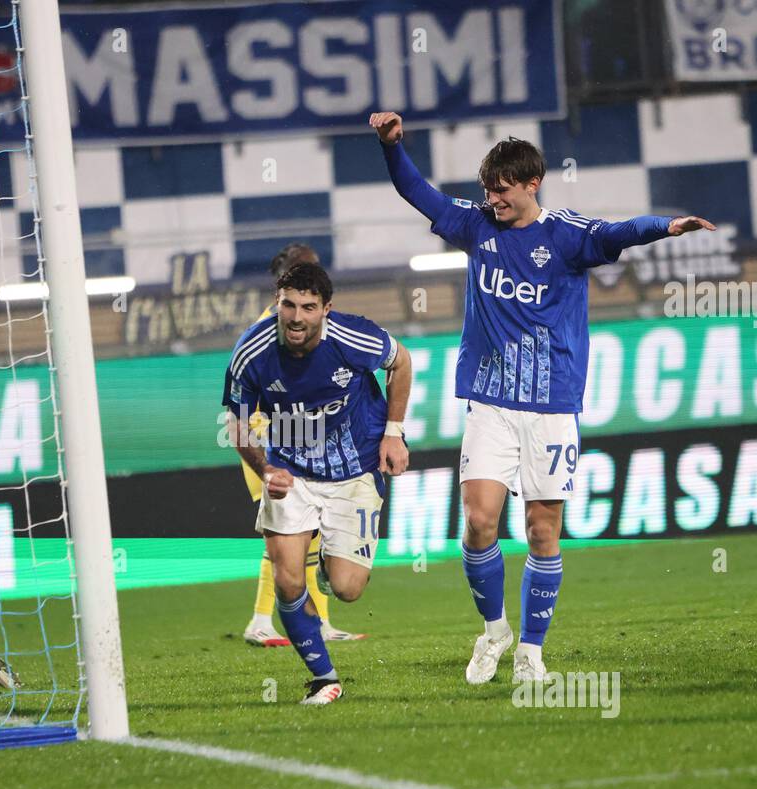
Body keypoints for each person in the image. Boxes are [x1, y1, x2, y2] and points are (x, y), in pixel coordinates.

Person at [370, 111, 714, 684]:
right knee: (479, 522)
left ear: (533, 184)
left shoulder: (564, 235)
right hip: (489, 400)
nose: (493, 198)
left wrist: (666, 225)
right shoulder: (475, 225)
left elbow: (616, 233)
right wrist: (392, 146)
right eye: (487, 189)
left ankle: (530, 651)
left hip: (553, 405)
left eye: (502, 189)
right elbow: (417, 191)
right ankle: (494, 630)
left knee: (540, 531)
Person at [224, 263, 412, 704]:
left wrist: (394, 432)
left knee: (347, 589)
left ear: (326, 309)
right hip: (292, 473)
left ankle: (331, 564)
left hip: (355, 471)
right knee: (288, 581)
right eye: (288, 304)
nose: (296, 317)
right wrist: (265, 469)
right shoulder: (252, 351)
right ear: (277, 303)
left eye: (308, 307)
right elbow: (235, 424)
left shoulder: (354, 337)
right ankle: (324, 677)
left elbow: (401, 362)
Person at [240, 243, 365, 648]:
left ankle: (318, 621)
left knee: (306, 536)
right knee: (288, 534)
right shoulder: (275, 329)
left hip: (294, 438)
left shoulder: (302, 323)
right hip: (273, 442)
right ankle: (261, 620)